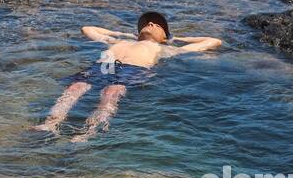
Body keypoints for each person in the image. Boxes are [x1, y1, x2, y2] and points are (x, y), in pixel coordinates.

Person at [35, 11, 222, 141]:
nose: (150, 24)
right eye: (147, 23)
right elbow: (87, 29)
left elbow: (213, 41)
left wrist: (177, 38)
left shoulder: (166, 48)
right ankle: (50, 124)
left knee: (111, 92)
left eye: (157, 25)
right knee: (75, 87)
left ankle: (88, 132)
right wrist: (121, 32)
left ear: (165, 37)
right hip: (103, 66)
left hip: (134, 70)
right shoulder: (119, 40)